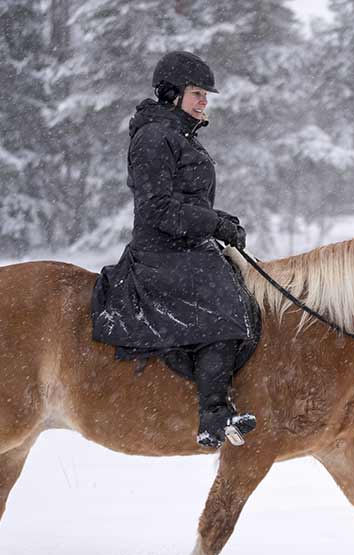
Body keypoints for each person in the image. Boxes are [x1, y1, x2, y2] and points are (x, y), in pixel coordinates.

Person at [91, 50, 256, 449]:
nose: (204, 102)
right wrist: (211, 223)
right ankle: (214, 415)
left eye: (205, 95)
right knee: (222, 305)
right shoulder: (154, 137)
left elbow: (185, 199)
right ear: (172, 95)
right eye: (197, 93)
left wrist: (219, 220)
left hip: (187, 244)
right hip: (161, 252)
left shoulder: (178, 135)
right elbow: (156, 207)